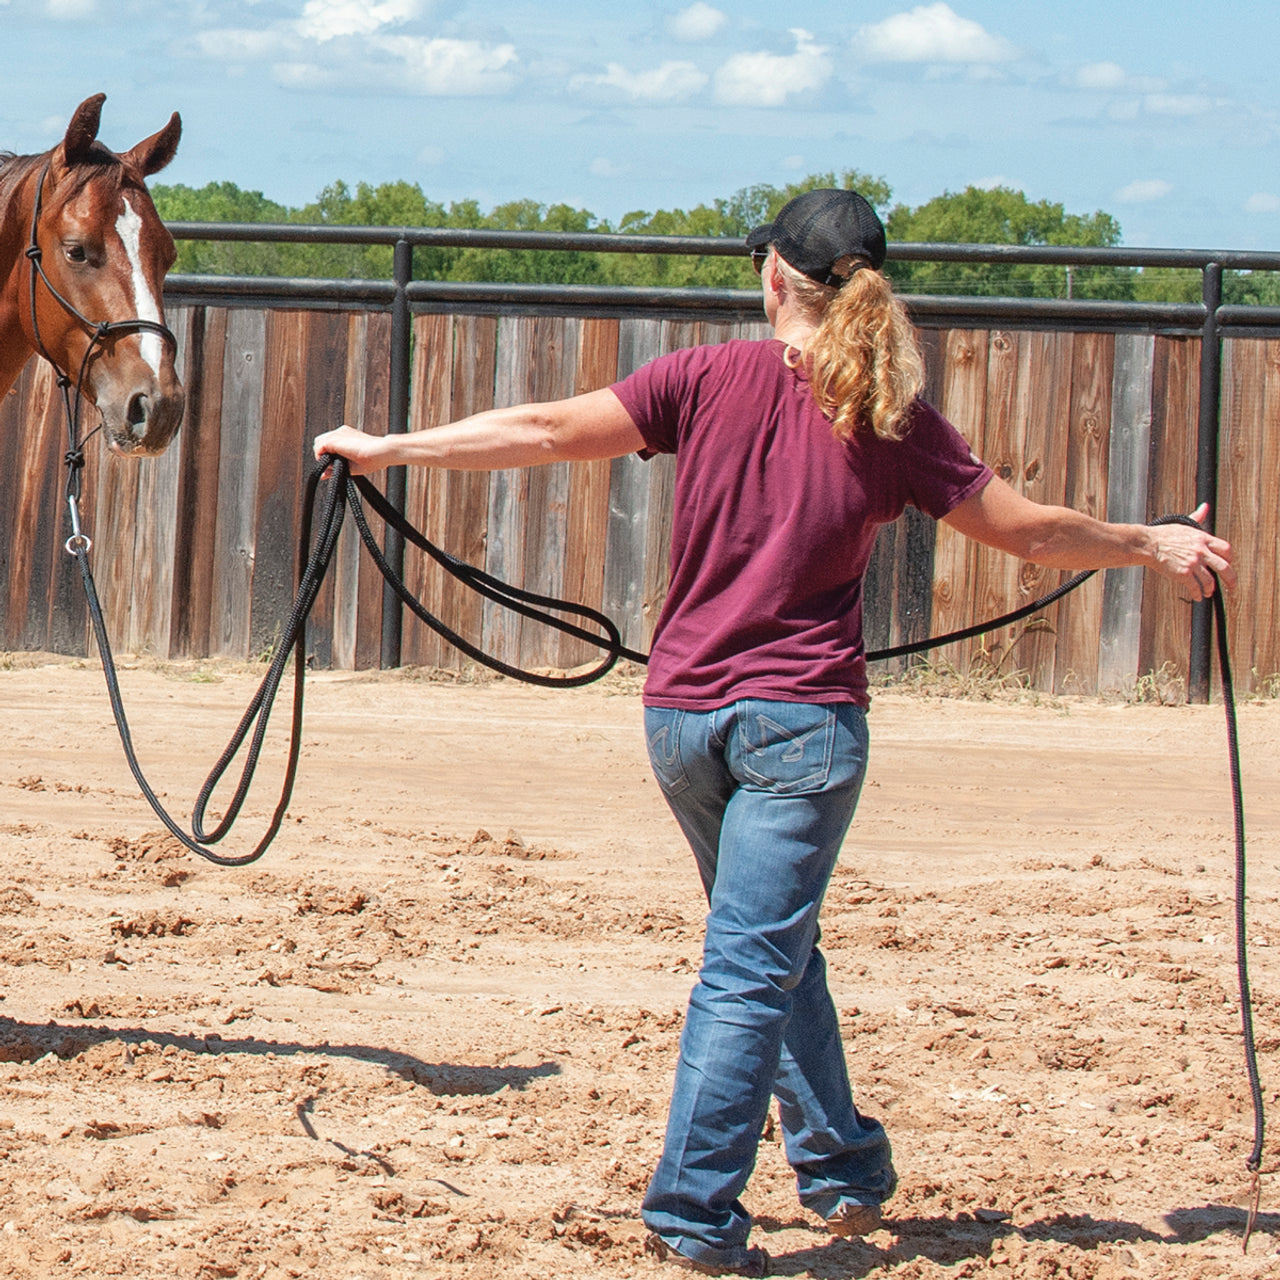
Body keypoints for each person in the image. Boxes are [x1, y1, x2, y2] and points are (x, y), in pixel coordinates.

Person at [313, 188, 1234, 1278]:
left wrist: (386, 447)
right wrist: (1152, 542)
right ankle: (693, 1209)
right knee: (751, 963)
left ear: (769, 278)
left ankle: (839, 1162)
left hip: (683, 720)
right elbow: (1027, 534)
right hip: (801, 727)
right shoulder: (891, 419)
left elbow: (547, 430)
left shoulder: (701, 379)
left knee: (767, 948)